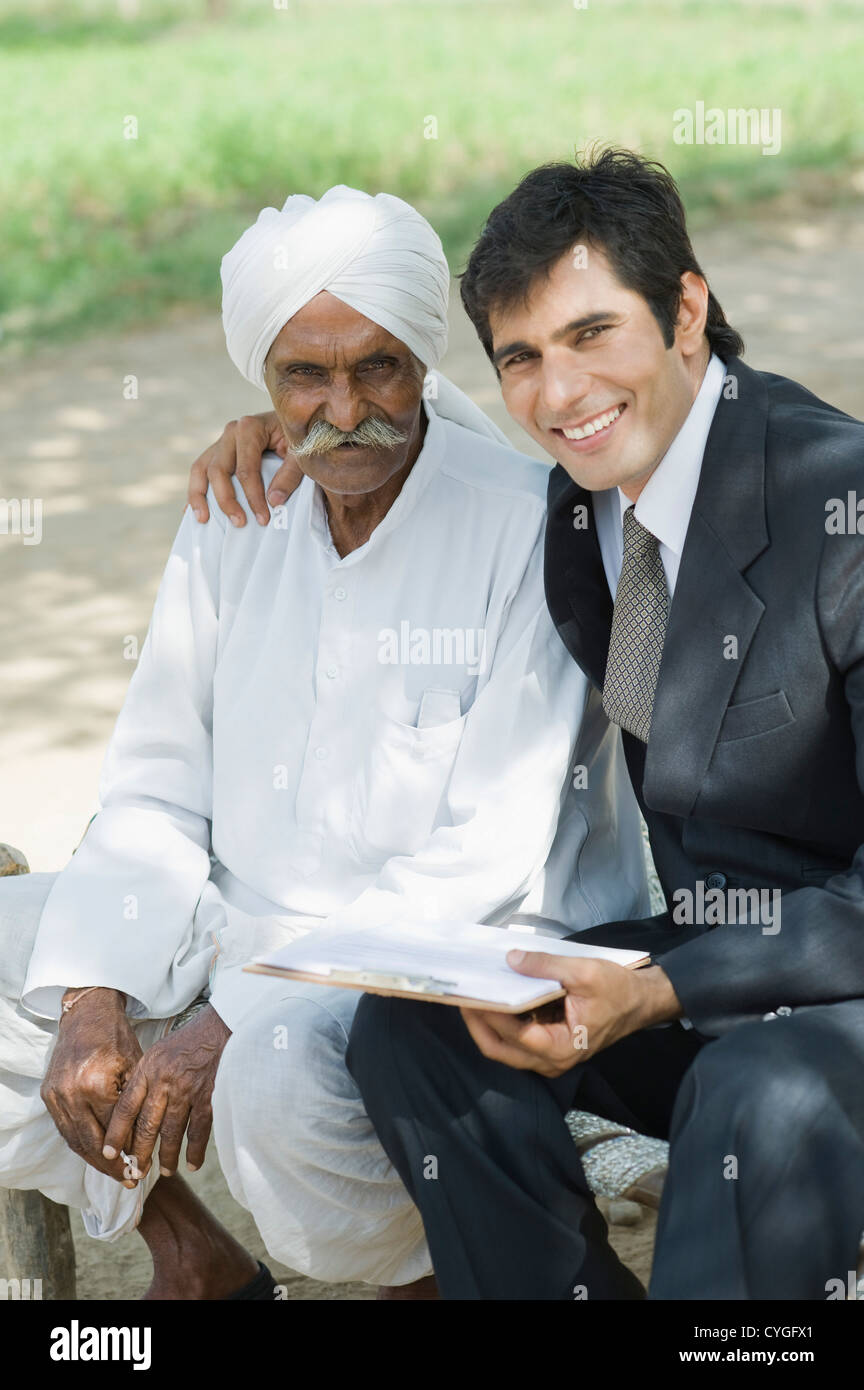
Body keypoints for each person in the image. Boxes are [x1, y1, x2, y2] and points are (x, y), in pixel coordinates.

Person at [208, 150, 864, 1300]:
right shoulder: (584, 505)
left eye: (592, 334)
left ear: (687, 311)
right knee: (414, 1034)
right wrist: (291, 424)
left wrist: (661, 990)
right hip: (711, 958)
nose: (559, 394)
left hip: (833, 988)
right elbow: (421, 427)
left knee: (754, 1098)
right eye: (522, 356)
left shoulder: (839, 508)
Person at [0, 185, 649, 1299]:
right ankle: (192, 1256)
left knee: (278, 1070)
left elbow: (480, 860)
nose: (346, 409)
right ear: (262, 378)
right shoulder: (235, 510)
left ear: (426, 366)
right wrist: (94, 994)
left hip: (443, 943)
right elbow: (155, 786)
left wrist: (224, 1015)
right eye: (306, 376)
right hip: (231, 918)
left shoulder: (525, 519)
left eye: (380, 368)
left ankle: (418, 1287)